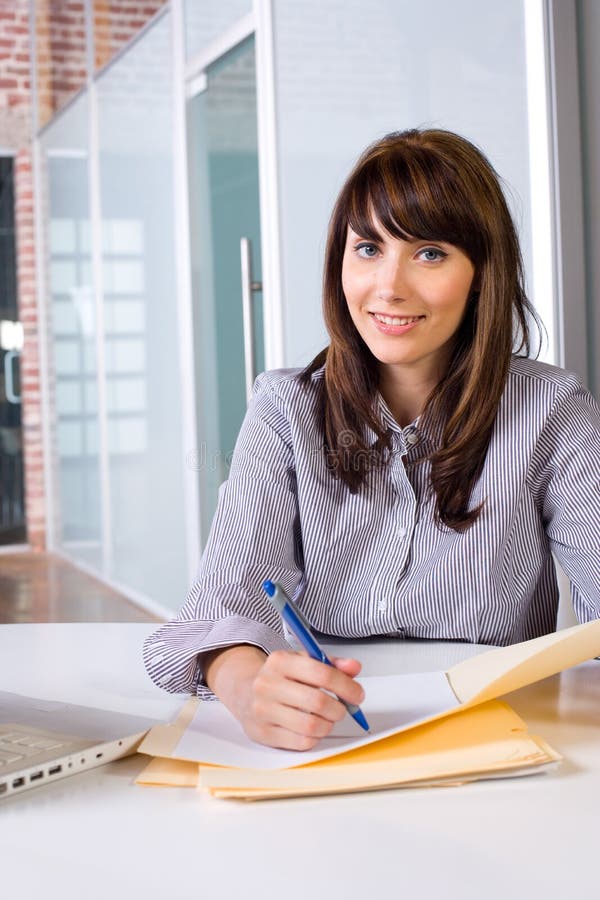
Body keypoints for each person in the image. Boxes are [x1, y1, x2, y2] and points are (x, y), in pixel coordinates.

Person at [143, 127, 600, 752]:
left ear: (481, 273)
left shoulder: (552, 408)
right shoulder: (285, 408)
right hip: (328, 729)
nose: (389, 287)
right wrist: (247, 685)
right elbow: (220, 607)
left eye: (430, 253)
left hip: (496, 732)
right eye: (367, 249)